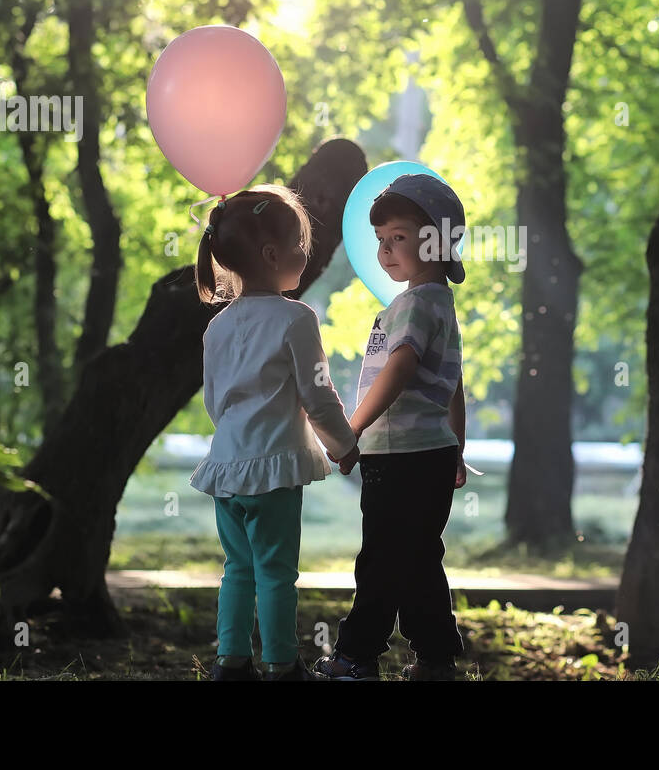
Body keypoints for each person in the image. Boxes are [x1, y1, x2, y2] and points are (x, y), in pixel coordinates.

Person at [191, 184, 360, 681]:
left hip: (227, 466)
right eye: (298, 244)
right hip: (274, 469)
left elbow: (214, 403)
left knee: (237, 569)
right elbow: (318, 396)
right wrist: (345, 446)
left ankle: (230, 662)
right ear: (271, 254)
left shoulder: (217, 327)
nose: (305, 253)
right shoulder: (296, 318)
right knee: (276, 571)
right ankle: (282, 664)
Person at [313, 174, 468, 681]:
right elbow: (454, 386)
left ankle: (355, 658)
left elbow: (400, 369)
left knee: (382, 559)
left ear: (436, 241)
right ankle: (436, 660)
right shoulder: (437, 303)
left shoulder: (417, 304)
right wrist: (456, 448)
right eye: (381, 239)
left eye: (397, 237)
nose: (384, 250)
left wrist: (351, 430)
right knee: (419, 559)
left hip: (402, 455)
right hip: (428, 453)